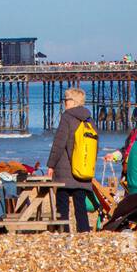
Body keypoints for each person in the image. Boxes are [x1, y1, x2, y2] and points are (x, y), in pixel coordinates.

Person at [46, 88, 95, 233]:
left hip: (65, 168)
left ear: (73, 102)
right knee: (80, 204)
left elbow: (59, 143)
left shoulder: (67, 117)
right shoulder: (89, 119)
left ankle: (63, 231)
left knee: (62, 202)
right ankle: (84, 231)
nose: (64, 102)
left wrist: (51, 164)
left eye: (66, 100)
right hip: (82, 168)